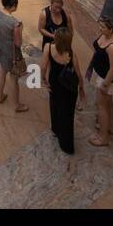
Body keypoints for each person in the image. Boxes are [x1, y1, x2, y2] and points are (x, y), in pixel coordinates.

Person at [41, 26, 86, 155]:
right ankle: (66, 144)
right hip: (69, 88)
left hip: (55, 84)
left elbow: (43, 67)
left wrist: (43, 80)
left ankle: (55, 129)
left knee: (55, 106)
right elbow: (78, 73)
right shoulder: (71, 52)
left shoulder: (48, 48)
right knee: (67, 115)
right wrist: (81, 88)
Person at [88, 17, 113, 147]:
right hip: (102, 75)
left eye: (102, 27)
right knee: (108, 103)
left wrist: (105, 85)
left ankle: (103, 137)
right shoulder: (104, 35)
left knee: (101, 106)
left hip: (108, 80)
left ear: (111, 29)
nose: (99, 29)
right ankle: (110, 126)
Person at [0, 0, 29, 113]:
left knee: (2, 71)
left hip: (0, 47)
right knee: (14, 79)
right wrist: (21, 29)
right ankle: (17, 105)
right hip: (12, 53)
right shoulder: (16, 24)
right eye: (15, 6)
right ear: (12, 6)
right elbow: (18, 43)